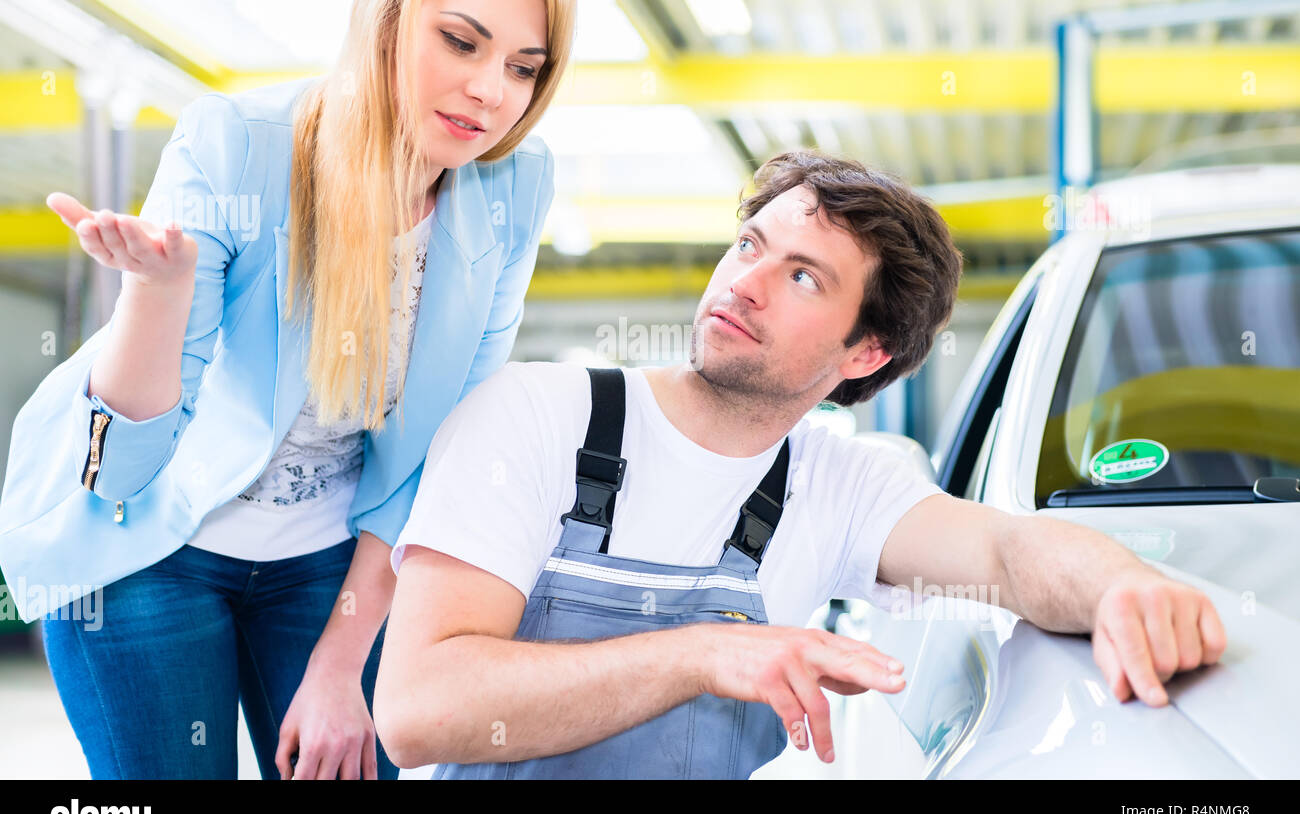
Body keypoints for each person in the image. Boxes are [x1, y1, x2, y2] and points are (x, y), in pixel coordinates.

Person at [372, 150, 1230, 779]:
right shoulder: (536, 415)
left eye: (804, 278)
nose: (746, 283)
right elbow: (416, 708)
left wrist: (1121, 585)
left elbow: (1008, 552)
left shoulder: (836, 484)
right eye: (749, 245)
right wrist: (699, 655)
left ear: (866, 353)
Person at [0, 0, 575, 780]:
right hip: (150, 545)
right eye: (462, 42)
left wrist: (343, 666)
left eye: (523, 67)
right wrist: (155, 296)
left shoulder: (512, 188)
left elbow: (429, 454)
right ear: (386, 23)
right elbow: (125, 470)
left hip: (324, 557)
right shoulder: (237, 145)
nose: (492, 90)